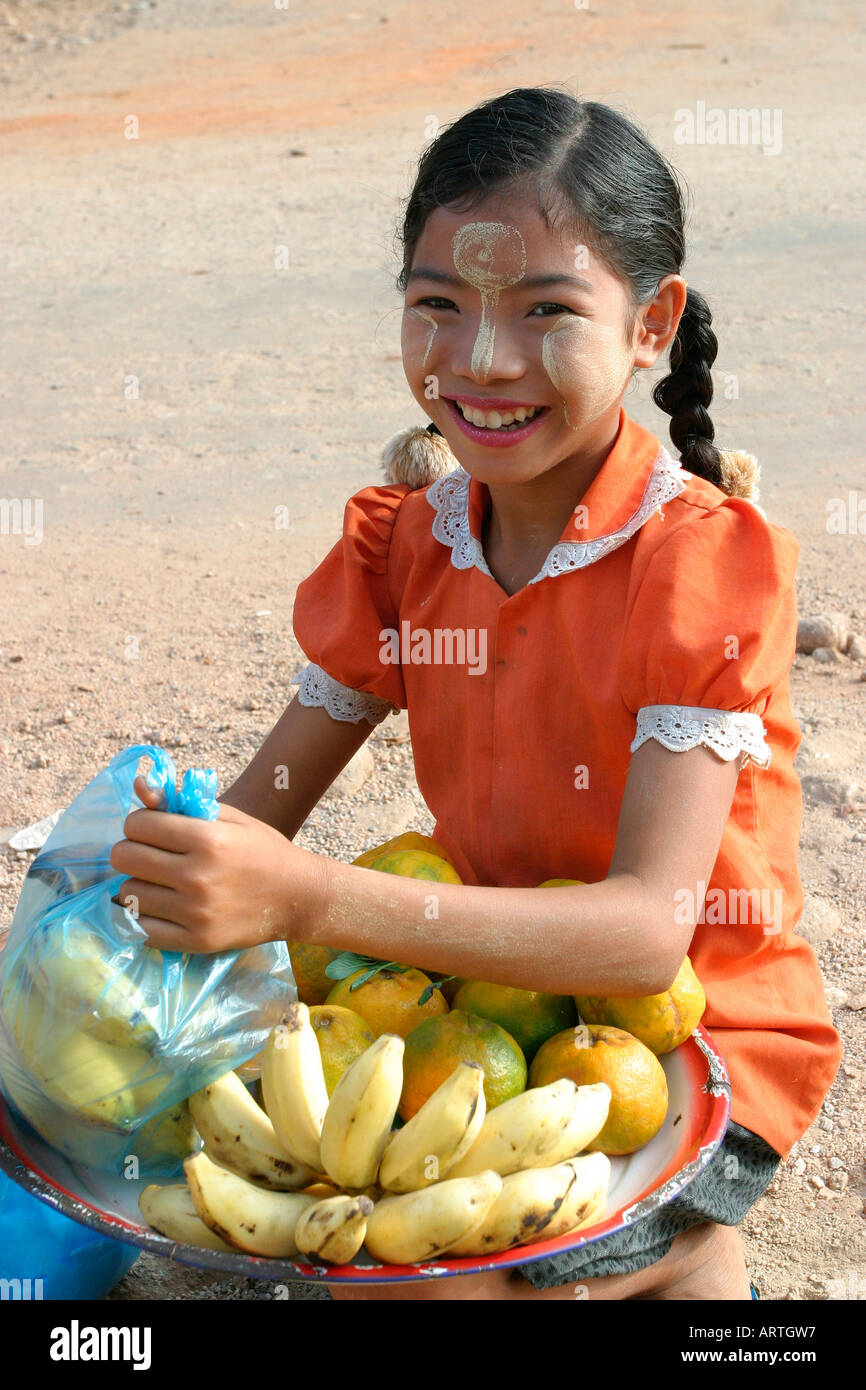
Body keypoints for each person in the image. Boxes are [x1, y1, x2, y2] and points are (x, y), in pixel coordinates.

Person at [110, 87, 841, 1300]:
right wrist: (167, 860)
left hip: (693, 1037)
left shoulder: (695, 566)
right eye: (437, 307)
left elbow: (646, 933)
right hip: (479, 1009)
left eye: (547, 310)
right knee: (305, 1217)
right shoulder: (409, 545)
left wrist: (310, 899)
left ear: (651, 324)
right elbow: (264, 809)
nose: (481, 361)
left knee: (433, 1281)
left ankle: (699, 1258)